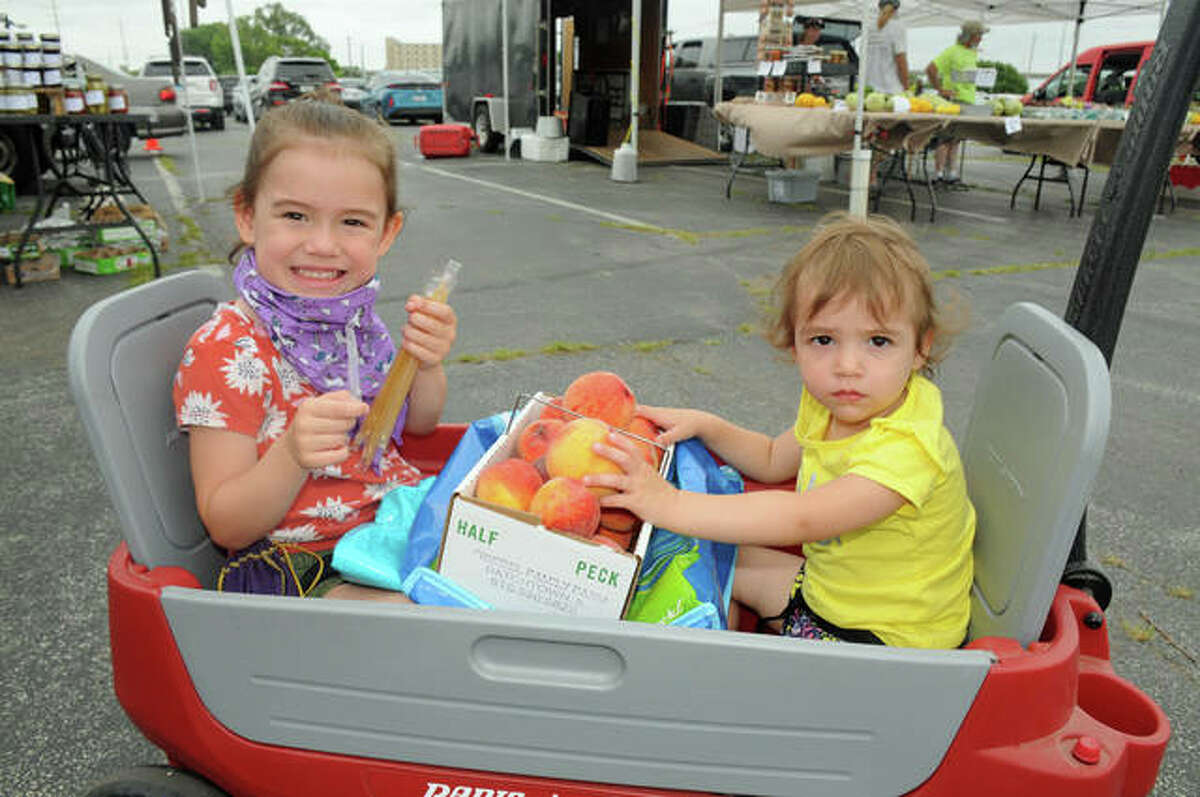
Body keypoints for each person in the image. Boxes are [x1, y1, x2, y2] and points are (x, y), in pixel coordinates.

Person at [588, 213, 975, 649]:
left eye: (878, 342)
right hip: (840, 591)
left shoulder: (909, 448)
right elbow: (772, 459)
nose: (848, 367)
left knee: (700, 560)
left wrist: (670, 503)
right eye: (824, 341)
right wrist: (708, 425)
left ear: (921, 347)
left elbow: (801, 517)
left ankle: (714, 685)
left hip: (883, 641)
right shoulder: (836, 405)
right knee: (701, 557)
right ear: (795, 343)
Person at [173, 97, 458, 600]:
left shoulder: (354, 325)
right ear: (247, 216)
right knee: (438, 625)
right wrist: (290, 455)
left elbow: (417, 426)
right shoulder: (226, 350)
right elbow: (228, 525)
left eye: (352, 222)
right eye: (295, 215)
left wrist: (427, 364)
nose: (323, 244)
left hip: (388, 527)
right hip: (303, 565)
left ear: (386, 232)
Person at [925, 20, 988, 184]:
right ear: (970, 36)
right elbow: (930, 69)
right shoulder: (952, 51)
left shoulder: (973, 53)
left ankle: (951, 173)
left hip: (967, 102)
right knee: (945, 138)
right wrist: (940, 89)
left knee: (956, 139)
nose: (981, 38)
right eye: (978, 35)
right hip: (952, 102)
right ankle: (938, 174)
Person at [861, 0, 908, 97]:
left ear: (879, 8)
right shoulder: (898, 27)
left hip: (868, 90)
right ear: (896, 10)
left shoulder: (868, 27)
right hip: (891, 90)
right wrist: (906, 87)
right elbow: (901, 60)